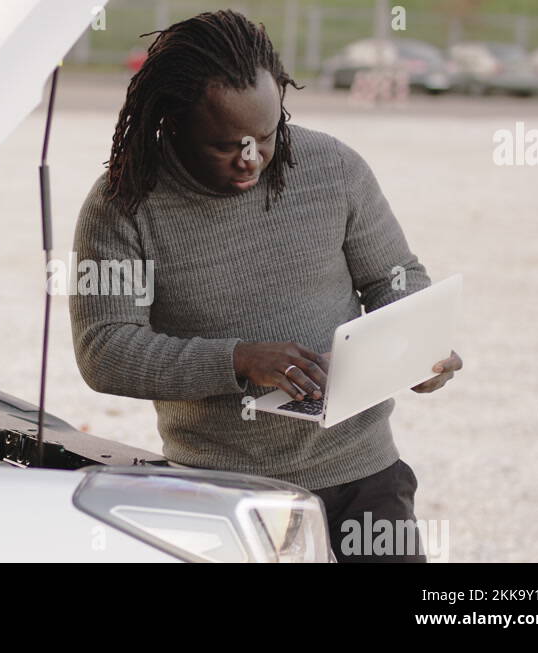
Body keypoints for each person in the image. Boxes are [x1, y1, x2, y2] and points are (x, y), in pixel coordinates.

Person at [68, 10, 462, 562]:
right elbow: (104, 350)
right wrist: (238, 361)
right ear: (173, 123)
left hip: (365, 479)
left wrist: (420, 348)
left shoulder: (334, 167)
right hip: (219, 490)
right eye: (226, 144)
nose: (250, 158)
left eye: (265, 134)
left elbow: (393, 277)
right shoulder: (122, 205)